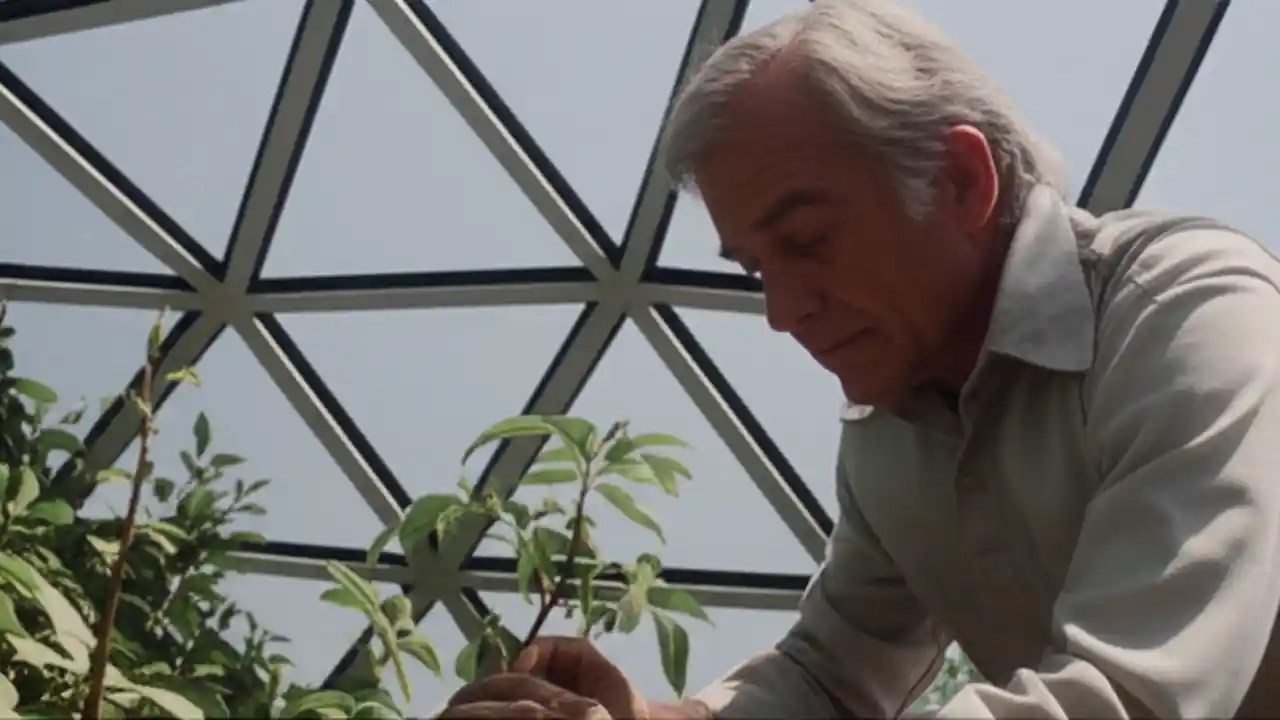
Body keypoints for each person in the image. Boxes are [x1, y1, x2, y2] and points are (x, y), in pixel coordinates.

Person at [438, 0, 1280, 717]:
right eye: (758, 268)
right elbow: (832, 674)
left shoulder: (1185, 315)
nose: (782, 311)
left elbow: (1127, 697)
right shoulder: (895, 426)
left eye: (808, 240)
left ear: (960, 178)